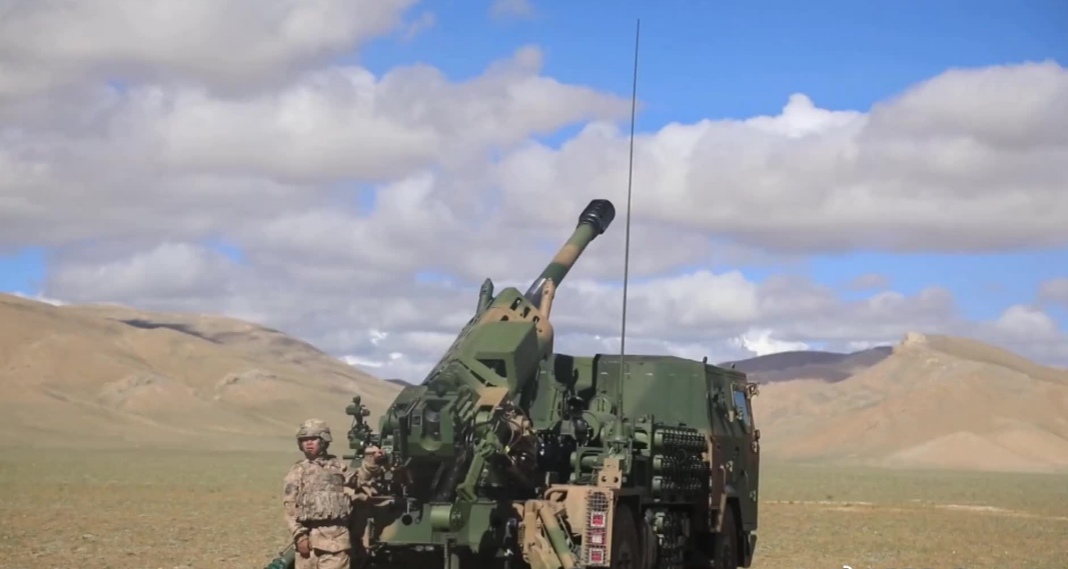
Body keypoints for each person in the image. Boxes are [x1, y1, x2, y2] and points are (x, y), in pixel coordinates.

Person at [282, 418, 386, 569]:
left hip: (336, 540)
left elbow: (359, 480)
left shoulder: (338, 468)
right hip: (308, 541)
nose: (308, 443)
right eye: (304, 440)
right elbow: (290, 507)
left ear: (324, 440)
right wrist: (299, 535)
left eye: (313, 438)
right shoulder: (297, 472)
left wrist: (371, 462)